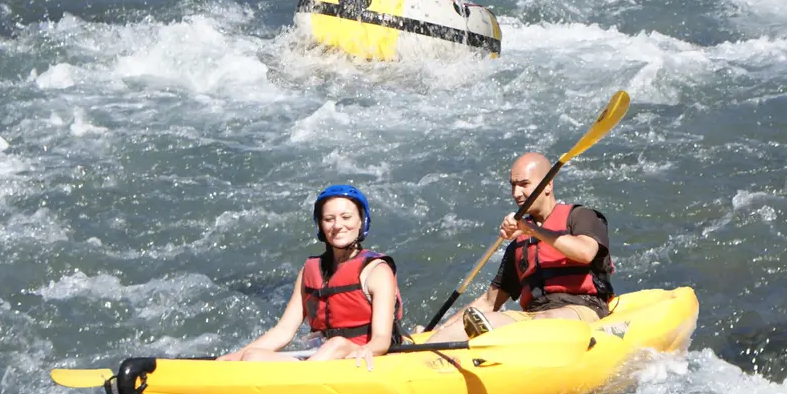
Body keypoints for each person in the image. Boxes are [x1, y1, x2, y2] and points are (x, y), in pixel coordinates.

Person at [430, 152, 615, 341]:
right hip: (532, 316)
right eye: (513, 185)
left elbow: (585, 252)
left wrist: (531, 230)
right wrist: (439, 331)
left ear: (548, 185)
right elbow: (489, 301)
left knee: (546, 318)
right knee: (477, 322)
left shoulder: (580, 216)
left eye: (524, 184)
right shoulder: (520, 243)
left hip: (582, 309)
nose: (516, 193)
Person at [218, 184, 403, 367]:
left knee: (336, 344)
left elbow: (381, 339)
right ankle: (302, 376)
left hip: (357, 358)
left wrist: (367, 349)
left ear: (361, 221)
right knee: (253, 357)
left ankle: (304, 378)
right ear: (321, 225)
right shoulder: (310, 270)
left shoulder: (377, 270)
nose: (338, 225)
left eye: (346, 217)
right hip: (322, 359)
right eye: (329, 219)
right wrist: (238, 355)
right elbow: (284, 330)